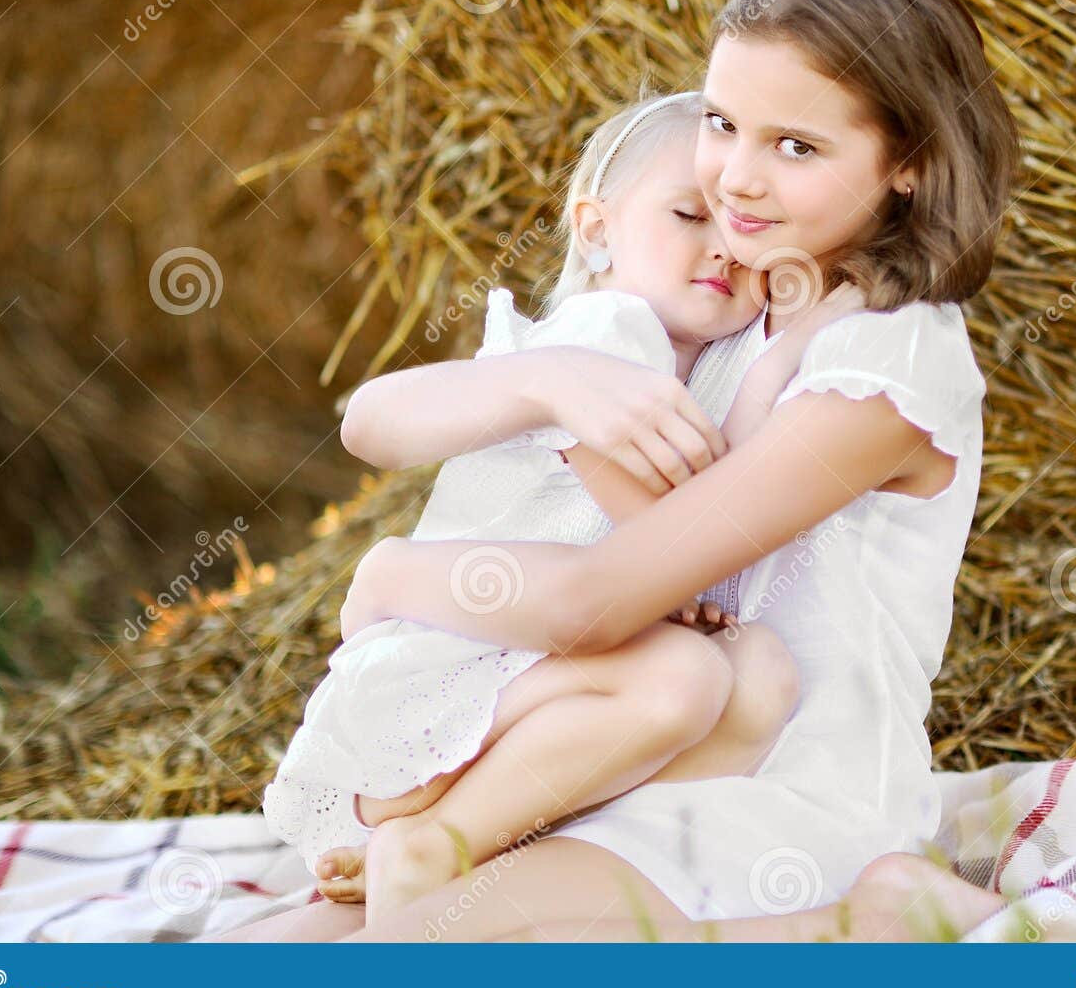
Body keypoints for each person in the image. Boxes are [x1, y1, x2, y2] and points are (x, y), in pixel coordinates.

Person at [210, 0, 1021, 943]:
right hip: (618, 761)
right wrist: (549, 376)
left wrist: (389, 576)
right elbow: (381, 417)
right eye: (723, 122)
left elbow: (595, 605)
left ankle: (854, 918)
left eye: (797, 146)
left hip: (770, 799)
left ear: (907, 163)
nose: (736, 179)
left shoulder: (885, 369)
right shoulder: (724, 313)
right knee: (270, 947)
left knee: (391, 950)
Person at [261, 90, 867, 922]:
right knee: (691, 672)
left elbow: (737, 485)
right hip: (438, 693)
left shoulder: (710, 359)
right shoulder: (603, 333)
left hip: (526, 713)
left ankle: (478, 849)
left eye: (743, 232)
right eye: (689, 214)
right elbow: (674, 528)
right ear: (596, 229)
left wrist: (795, 341)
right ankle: (439, 841)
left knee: (759, 673)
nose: (721, 248)